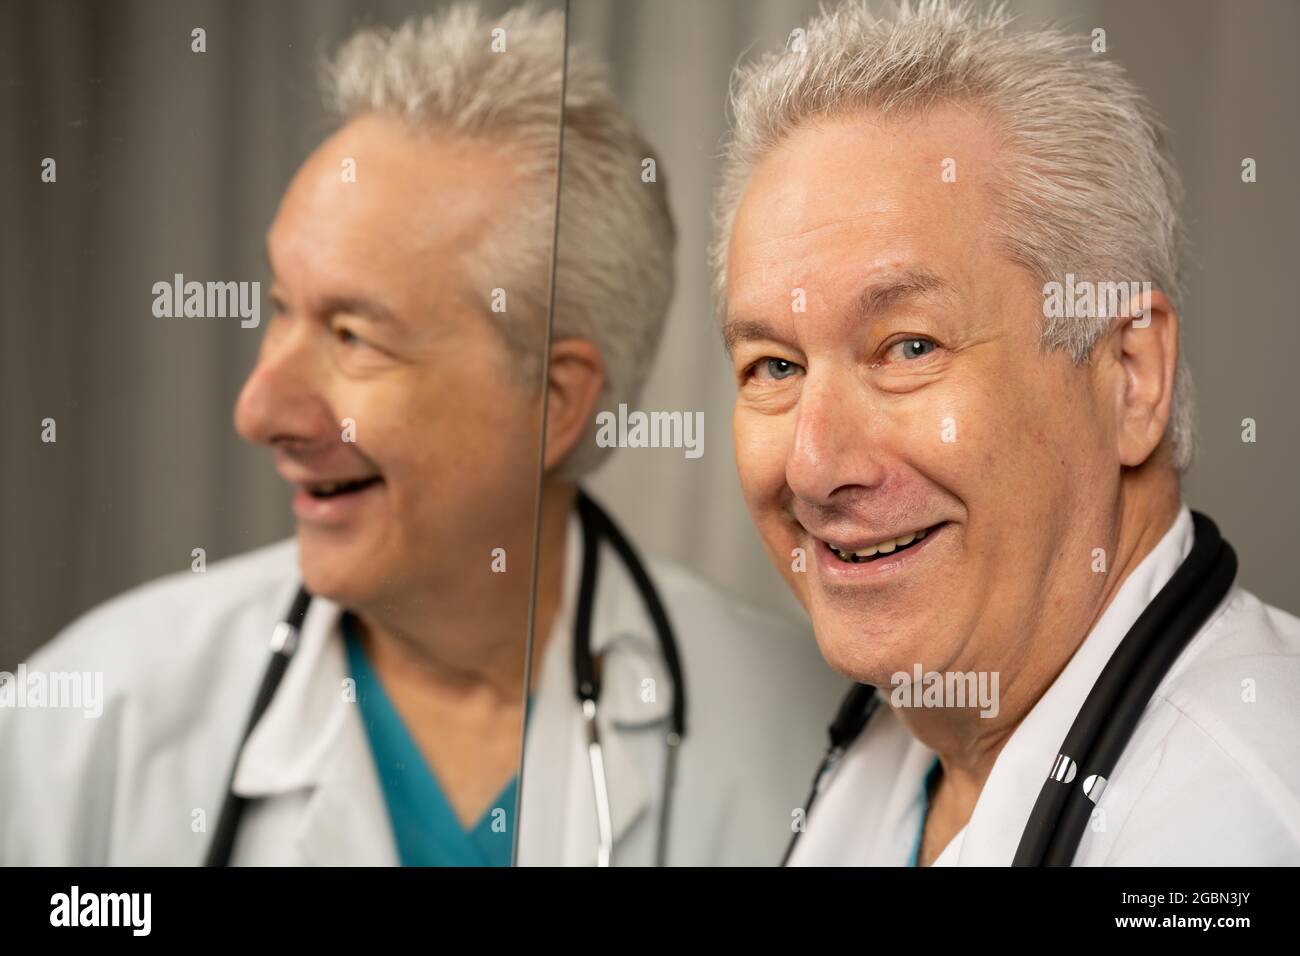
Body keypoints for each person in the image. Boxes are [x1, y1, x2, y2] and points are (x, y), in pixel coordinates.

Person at [0, 3, 842, 867]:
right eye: (281, 310)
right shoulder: (88, 718)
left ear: (554, 403)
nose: (258, 411)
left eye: (353, 336)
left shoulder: (813, 743)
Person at [714, 0, 1300, 865]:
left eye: (908, 347)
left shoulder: (1236, 827)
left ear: (1129, 378)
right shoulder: (908, 748)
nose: (813, 465)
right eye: (774, 366)